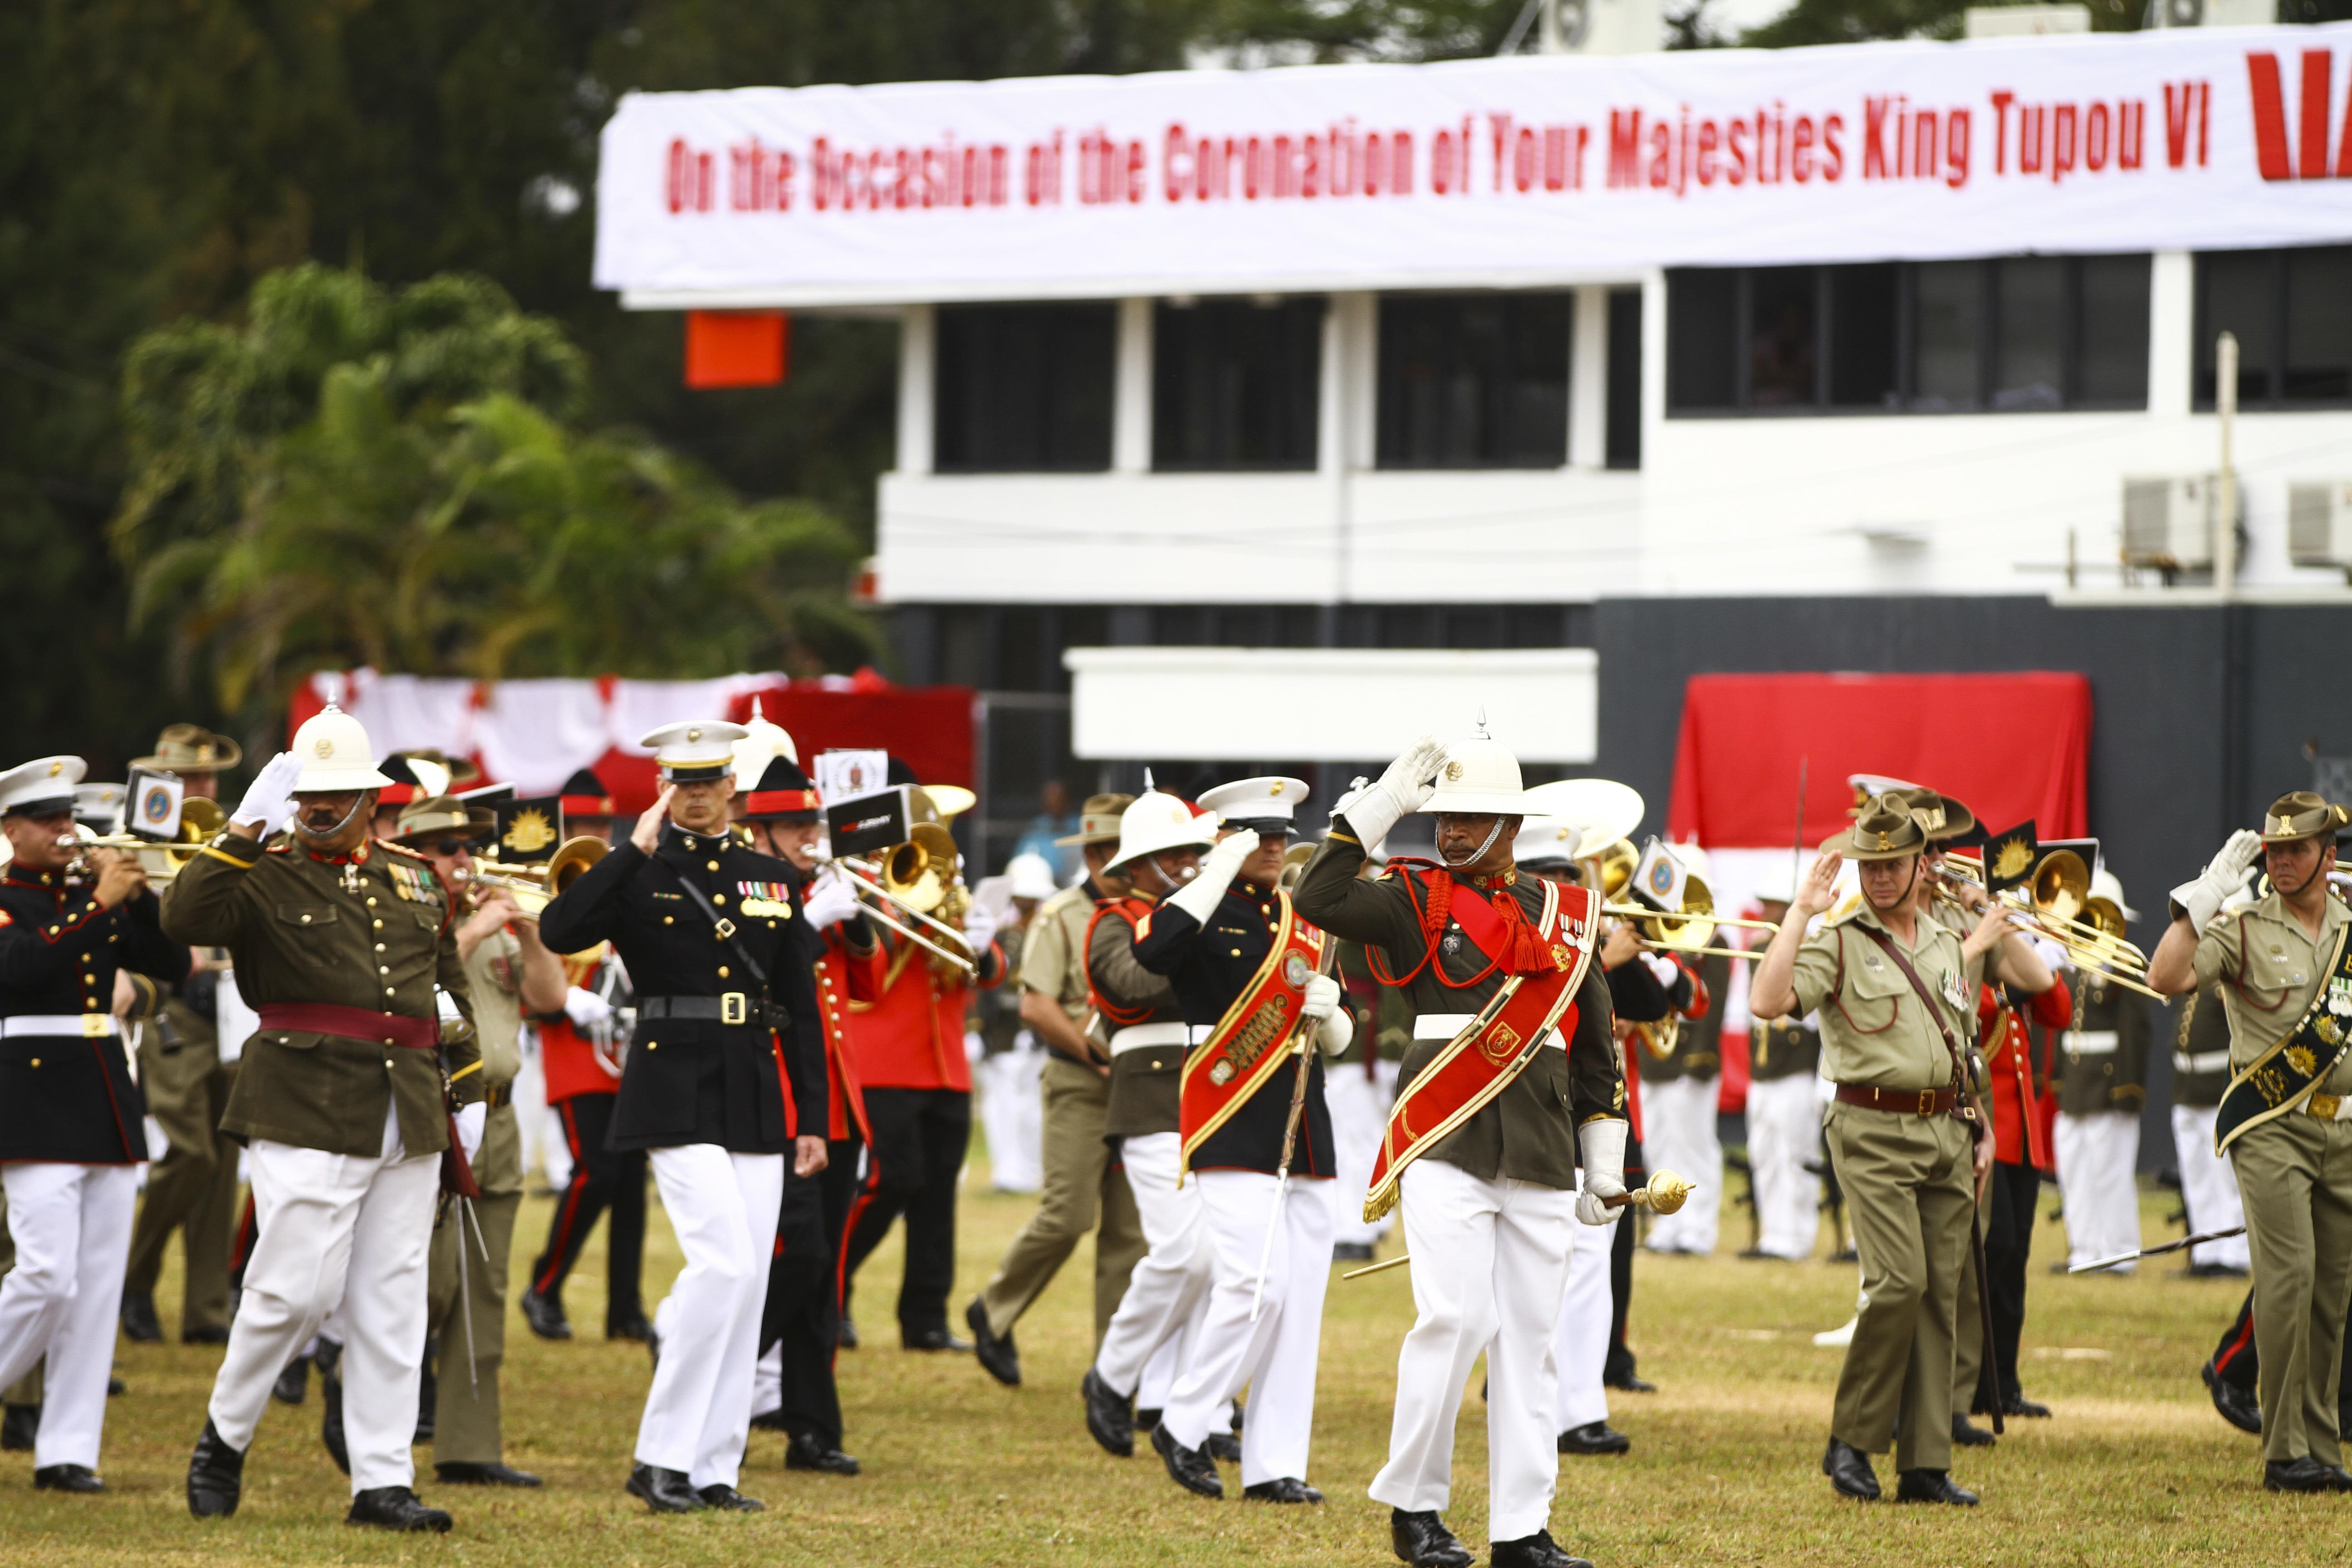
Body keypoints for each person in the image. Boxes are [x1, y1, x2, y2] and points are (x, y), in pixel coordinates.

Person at [1295, 732, 1624, 1568]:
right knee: (1452, 1318)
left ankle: (1522, 1528)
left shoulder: (1569, 915)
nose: (1448, 833)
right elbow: (1318, 894)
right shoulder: (1410, 899)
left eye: (1467, 817)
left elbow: (1595, 1055)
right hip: (1445, 1136)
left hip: (1545, 1147)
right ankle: (1414, 1506)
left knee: (1529, 1337)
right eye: (1441, 817)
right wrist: (1380, 809)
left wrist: (1606, 1163)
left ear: (1509, 824)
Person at [164, 706, 485, 1532]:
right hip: (303, 1097)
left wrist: (471, 1088)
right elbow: (184, 920)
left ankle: (380, 1479)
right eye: (306, 793)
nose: (317, 807)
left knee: (391, 1298)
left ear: (371, 799)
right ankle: (224, 1437)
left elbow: (445, 991)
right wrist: (243, 824)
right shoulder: (260, 871)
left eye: (335, 793)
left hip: (408, 1104)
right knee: (293, 1291)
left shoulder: (414, 875)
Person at [536, 720, 827, 1514]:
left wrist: (814, 1116)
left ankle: (713, 1467)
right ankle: (658, 1455)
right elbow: (557, 930)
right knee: (723, 1265)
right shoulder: (638, 869)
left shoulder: (772, 875)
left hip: (755, 1087)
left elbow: (799, 1006)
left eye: (707, 781)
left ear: (732, 785)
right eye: (680, 782)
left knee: (749, 1280)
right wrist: (629, 848)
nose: (694, 797)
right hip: (670, 1080)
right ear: (664, 787)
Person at [1749, 794, 2014, 1507]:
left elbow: (1958, 1039)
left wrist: (1981, 1123)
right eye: (1872, 865)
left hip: (1947, 1128)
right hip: (1870, 1130)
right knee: (1899, 1282)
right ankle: (1852, 1439)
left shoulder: (1941, 940)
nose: (1883, 877)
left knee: (1941, 1293)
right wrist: (1802, 910)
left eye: (1895, 864)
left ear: (1920, 865)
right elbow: (1767, 1002)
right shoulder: (1837, 938)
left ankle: (1925, 1464)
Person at [1124, 777, 1348, 1505]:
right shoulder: (1196, 908)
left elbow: (1326, 1029)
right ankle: (1184, 1422)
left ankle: (1274, 1463)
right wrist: (1214, 868)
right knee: (1258, 1286)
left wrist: (1334, 1014)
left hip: (1301, 1113)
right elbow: (1153, 954)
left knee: (1300, 1302)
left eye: (1281, 837)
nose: (1274, 848)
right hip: (1229, 1108)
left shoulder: (1300, 918)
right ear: (1225, 838)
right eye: (1258, 836)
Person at [2146, 790, 2352, 1493]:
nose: (2283, 861)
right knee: (2290, 1279)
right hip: (2273, 1129)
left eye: (2298, 849)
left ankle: (2322, 1444)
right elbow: (2166, 976)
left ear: (2329, 855)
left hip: (2343, 1128)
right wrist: (2201, 898)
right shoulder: (2241, 928)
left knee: (2333, 1289)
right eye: (2274, 850)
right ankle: (2284, 1447)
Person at [0, 755, 190, 1493]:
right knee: (46, 1273)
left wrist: (138, 897)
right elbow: (19, 968)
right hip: (32, 1094)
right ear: (12, 829)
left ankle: (68, 1450)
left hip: (105, 1093)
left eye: (66, 816)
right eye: (45, 820)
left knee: (95, 1287)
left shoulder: (94, 893)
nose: (62, 830)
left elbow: (171, 962)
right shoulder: (9, 896)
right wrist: (101, 904)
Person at [393, 795, 565, 1488]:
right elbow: (405, 985)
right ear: (413, 858)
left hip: (496, 1116)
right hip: (431, 1113)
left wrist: (528, 934)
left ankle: (468, 1446)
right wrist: (468, 929)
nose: (463, 861)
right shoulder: (400, 918)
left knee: (484, 1286)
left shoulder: (494, 918)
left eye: (467, 847)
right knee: (427, 1285)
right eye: (445, 849)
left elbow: (549, 1000)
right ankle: (357, 1398)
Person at [967, 793, 1147, 1386]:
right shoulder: (1061, 914)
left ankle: (1114, 1372)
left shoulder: (1153, 912)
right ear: (1095, 854)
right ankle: (992, 1310)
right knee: (1067, 1217)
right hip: (1081, 1080)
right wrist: (1094, 1059)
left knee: (1130, 1234)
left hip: (1140, 1083)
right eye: (1116, 850)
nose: (1129, 861)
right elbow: (1037, 1006)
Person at [735, 751, 871, 1476]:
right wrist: (809, 918)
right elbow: (756, 972)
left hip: (837, 1101)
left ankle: (813, 1429)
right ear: (759, 833)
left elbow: (867, 987)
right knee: (801, 1256)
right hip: (784, 1098)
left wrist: (854, 921)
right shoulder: (750, 889)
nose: (806, 839)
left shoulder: (818, 885)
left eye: (810, 825)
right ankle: (718, 1368)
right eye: (791, 828)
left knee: (827, 1277)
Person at [838, 771, 1006, 1354]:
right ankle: (829, 1291)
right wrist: (903, 914)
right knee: (890, 1182)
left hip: (946, 1065)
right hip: (886, 1061)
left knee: (937, 1194)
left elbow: (983, 971)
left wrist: (984, 946)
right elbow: (868, 974)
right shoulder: (860, 882)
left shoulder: (941, 874)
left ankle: (925, 1318)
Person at [1078, 788, 1222, 1457]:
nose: (1187, 865)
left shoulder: (1216, 917)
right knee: (1182, 1253)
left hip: (1218, 1096)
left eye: (1193, 853)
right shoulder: (1113, 919)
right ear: (1137, 866)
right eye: (1170, 856)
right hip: (1153, 1099)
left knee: (1223, 1263)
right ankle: (1111, 1375)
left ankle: (1194, 1408)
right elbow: (1129, 988)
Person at [119, 724, 244, 1348]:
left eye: (208, 778)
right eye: (190, 778)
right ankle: (135, 1280)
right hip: (173, 1009)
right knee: (188, 1151)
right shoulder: (143, 833)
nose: (202, 788)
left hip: (229, 1004)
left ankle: (206, 1308)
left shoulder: (230, 834)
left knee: (223, 1160)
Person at [1509, 818, 1630, 1460]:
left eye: (1566, 875)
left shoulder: (1585, 935)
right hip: (1535, 1118)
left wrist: (1627, 955)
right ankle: (1536, 1399)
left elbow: (1664, 1002)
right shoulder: (1516, 936)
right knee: (1532, 1277)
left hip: (1592, 1118)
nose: (1560, 886)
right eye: (1547, 876)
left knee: (1590, 1271)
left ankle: (1580, 1408)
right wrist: (1600, 956)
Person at [1973, 974, 2071, 1423]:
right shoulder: (1967, 956)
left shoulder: (2019, 966)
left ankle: (2003, 1385)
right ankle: (1966, 1378)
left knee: (2014, 1265)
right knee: (1995, 1250)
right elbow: (1976, 1014)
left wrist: (2031, 957)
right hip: (1990, 1126)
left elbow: (2059, 1011)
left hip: (2025, 1131)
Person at [2053, 872, 2151, 1276]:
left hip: (2108, 1080)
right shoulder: (2072, 959)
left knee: (2111, 1172)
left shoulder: (2123, 963)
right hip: (2077, 1080)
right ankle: (2085, 1250)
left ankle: (2118, 1253)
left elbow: (2135, 1029)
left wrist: (2127, 1088)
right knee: (2075, 1170)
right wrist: (2058, 1079)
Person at [1740, 869, 1823, 1260]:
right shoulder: (1760, 951)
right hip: (1764, 1071)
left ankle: (1797, 1236)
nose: (1767, 913)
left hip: (1796, 1071)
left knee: (1796, 1155)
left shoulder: (1809, 951)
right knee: (1765, 1155)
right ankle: (1774, 1233)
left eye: (1775, 907)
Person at [973, 853, 1058, 1194]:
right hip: (1004, 1031)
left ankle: (1029, 1171)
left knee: (1031, 1106)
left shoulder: (1046, 931)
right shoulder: (1001, 932)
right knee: (1002, 1104)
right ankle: (1008, 1172)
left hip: (1034, 1030)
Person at [2171, 963, 2253, 1277]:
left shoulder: (2229, 980)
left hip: (2219, 1086)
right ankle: (2206, 1253)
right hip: (2188, 1085)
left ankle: (2234, 1257)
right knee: (2199, 1180)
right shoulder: (2196, 976)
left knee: (2227, 1180)